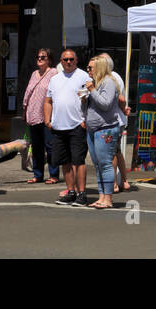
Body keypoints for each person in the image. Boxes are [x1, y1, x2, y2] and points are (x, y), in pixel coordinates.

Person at [44, 49, 91, 206]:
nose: (69, 62)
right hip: (58, 127)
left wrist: (85, 119)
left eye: (71, 59)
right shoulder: (55, 79)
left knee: (78, 161)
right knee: (64, 161)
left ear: (76, 60)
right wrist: (47, 120)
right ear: (61, 61)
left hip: (77, 124)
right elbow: (48, 100)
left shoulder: (83, 76)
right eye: (65, 59)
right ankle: (71, 191)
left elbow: (89, 99)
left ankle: (82, 193)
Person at [82, 54, 121, 210]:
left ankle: (108, 198)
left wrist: (91, 90)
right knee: (98, 165)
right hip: (93, 129)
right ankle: (101, 197)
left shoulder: (108, 82)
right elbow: (91, 106)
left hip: (105, 128)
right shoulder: (96, 83)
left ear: (99, 67)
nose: (88, 70)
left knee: (105, 164)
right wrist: (84, 98)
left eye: (90, 67)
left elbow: (105, 104)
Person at [22, 48, 59, 184]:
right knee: (36, 147)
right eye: (38, 57)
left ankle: (54, 175)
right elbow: (29, 93)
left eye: (43, 57)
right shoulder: (34, 73)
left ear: (49, 59)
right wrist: (26, 111)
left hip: (47, 115)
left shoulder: (54, 73)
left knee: (50, 146)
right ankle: (37, 175)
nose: (39, 59)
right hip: (32, 114)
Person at [106, 56, 132, 192]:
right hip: (117, 120)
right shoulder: (113, 76)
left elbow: (120, 99)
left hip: (114, 121)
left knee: (112, 152)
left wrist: (123, 109)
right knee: (117, 151)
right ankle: (124, 181)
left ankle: (115, 183)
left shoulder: (111, 77)